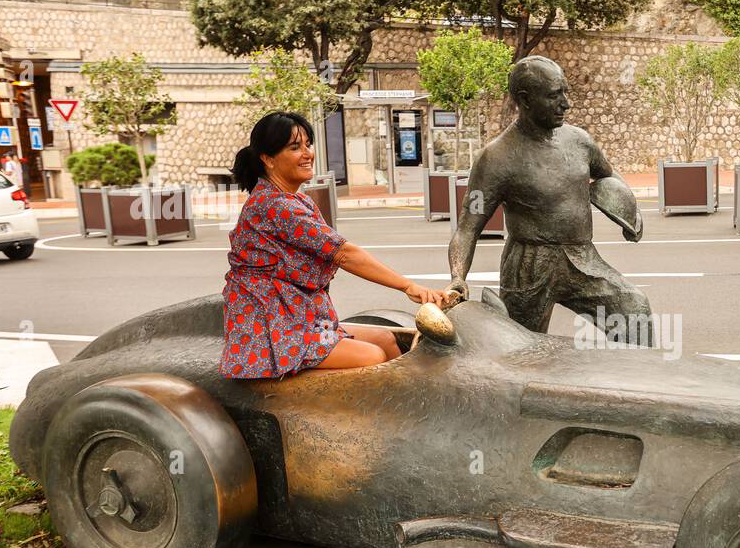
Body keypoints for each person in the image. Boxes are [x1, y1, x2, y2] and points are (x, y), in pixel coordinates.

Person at [221, 111, 449, 379]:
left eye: (308, 144)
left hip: (304, 320)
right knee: (371, 357)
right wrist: (408, 286)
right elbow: (343, 253)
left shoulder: (297, 200)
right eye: (295, 147)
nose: (307, 153)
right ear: (268, 159)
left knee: (386, 339)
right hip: (273, 329)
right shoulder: (275, 205)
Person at [446, 55, 654, 345]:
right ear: (525, 99)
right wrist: (458, 276)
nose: (566, 103)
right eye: (555, 95)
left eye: (566, 92)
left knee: (634, 308)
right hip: (529, 266)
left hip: (582, 259)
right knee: (521, 348)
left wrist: (628, 210)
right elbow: (468, 227)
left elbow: (608, 175)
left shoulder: (580, 141)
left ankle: (640, 385)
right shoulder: (495, 158)